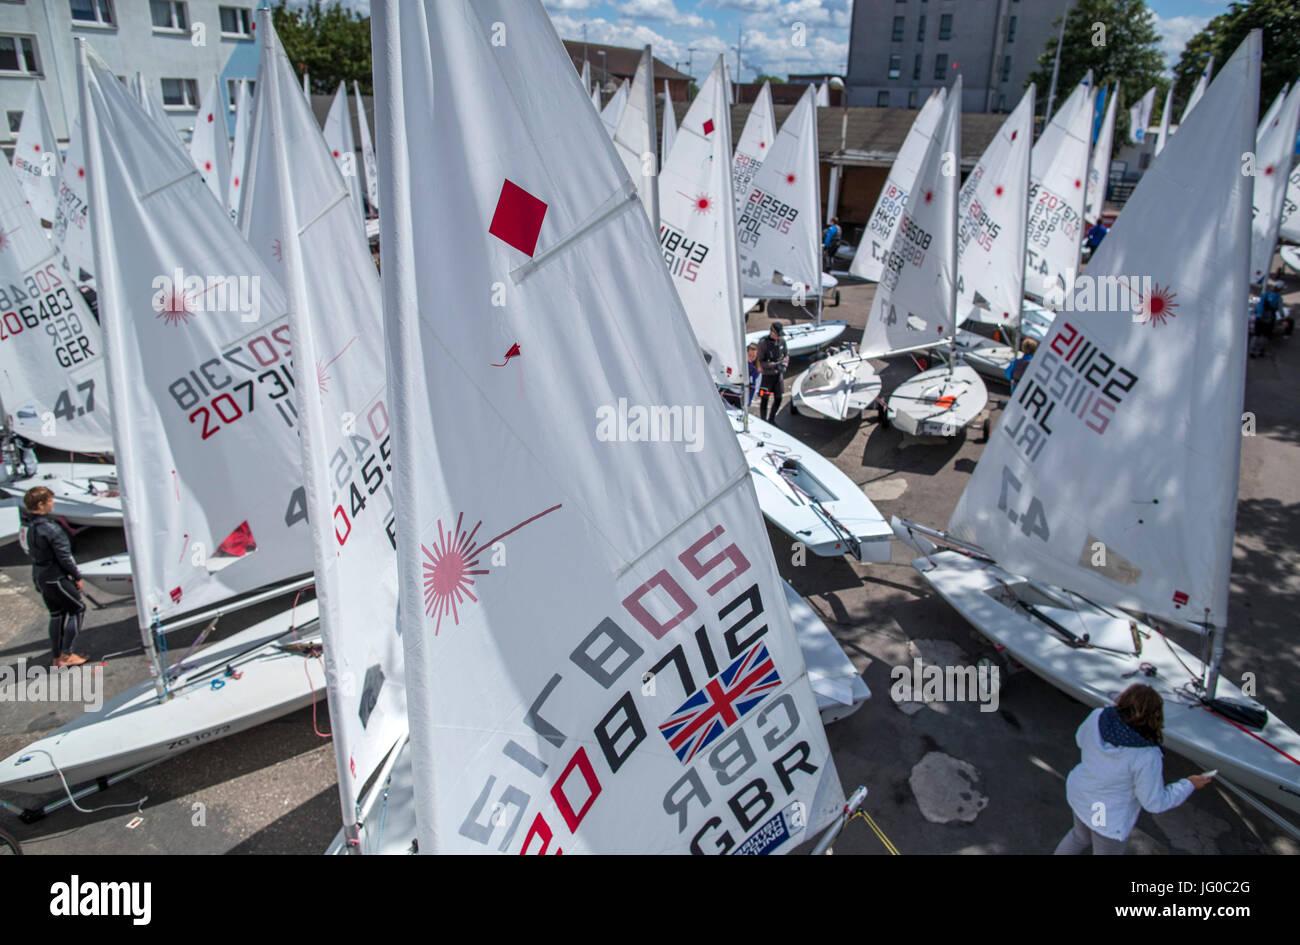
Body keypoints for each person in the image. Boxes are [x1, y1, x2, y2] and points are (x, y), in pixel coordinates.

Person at [1054, 684, 1212, 855]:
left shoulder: (1097, 716)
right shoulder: (1147, 755)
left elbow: (1080, 740)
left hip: (1081, 795)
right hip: (1107, 815)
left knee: (1079, 836)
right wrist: (1189, 784)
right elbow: (1153, 802)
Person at [22, 487, 87, 667]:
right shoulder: (51, 529)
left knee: (57, 614)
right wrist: (76, 576)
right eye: (50, 500)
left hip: (41, 576)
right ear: (41, 504)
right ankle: (66, 655)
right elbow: (64, 557)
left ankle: (57, 657)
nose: (53, 503)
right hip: (55, 577)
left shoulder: (28, 526)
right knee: (78, 609)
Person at [756, 324, 788, 423]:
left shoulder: (782, 341)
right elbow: (760, 361)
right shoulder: (763, 343)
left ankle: (771, 419)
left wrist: (784, 365)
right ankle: (763, 421)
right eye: (777, 334)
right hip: (767, 377)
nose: (779, 337)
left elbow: (786, 354)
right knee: (764, 399)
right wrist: (774, 365)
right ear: (772, 332)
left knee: (778, 398)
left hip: (778, 376)